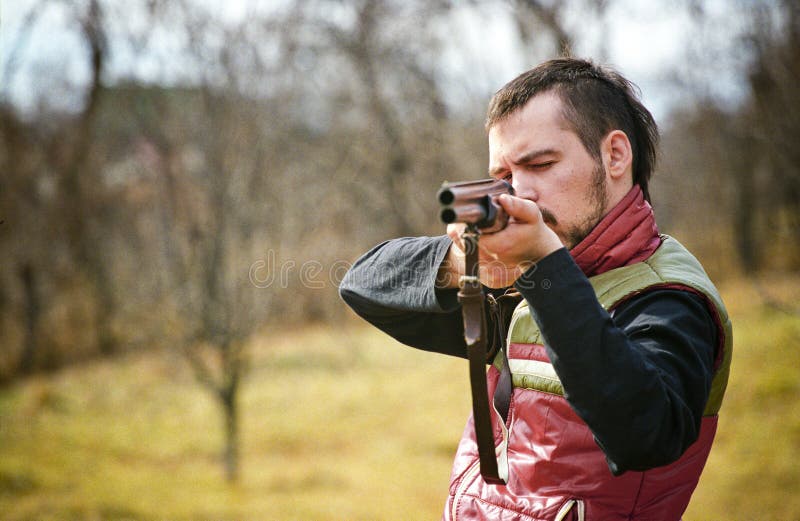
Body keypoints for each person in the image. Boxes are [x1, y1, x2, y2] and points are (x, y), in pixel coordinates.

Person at [339, 58, 732, 521]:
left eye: (541, 164)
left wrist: (543, 266)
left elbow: (646, 432)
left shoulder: (668, 297)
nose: (519, 193)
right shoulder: (525, 280)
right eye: (504, 177)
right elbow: (361, 285)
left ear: (616, 156)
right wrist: (462, 263)